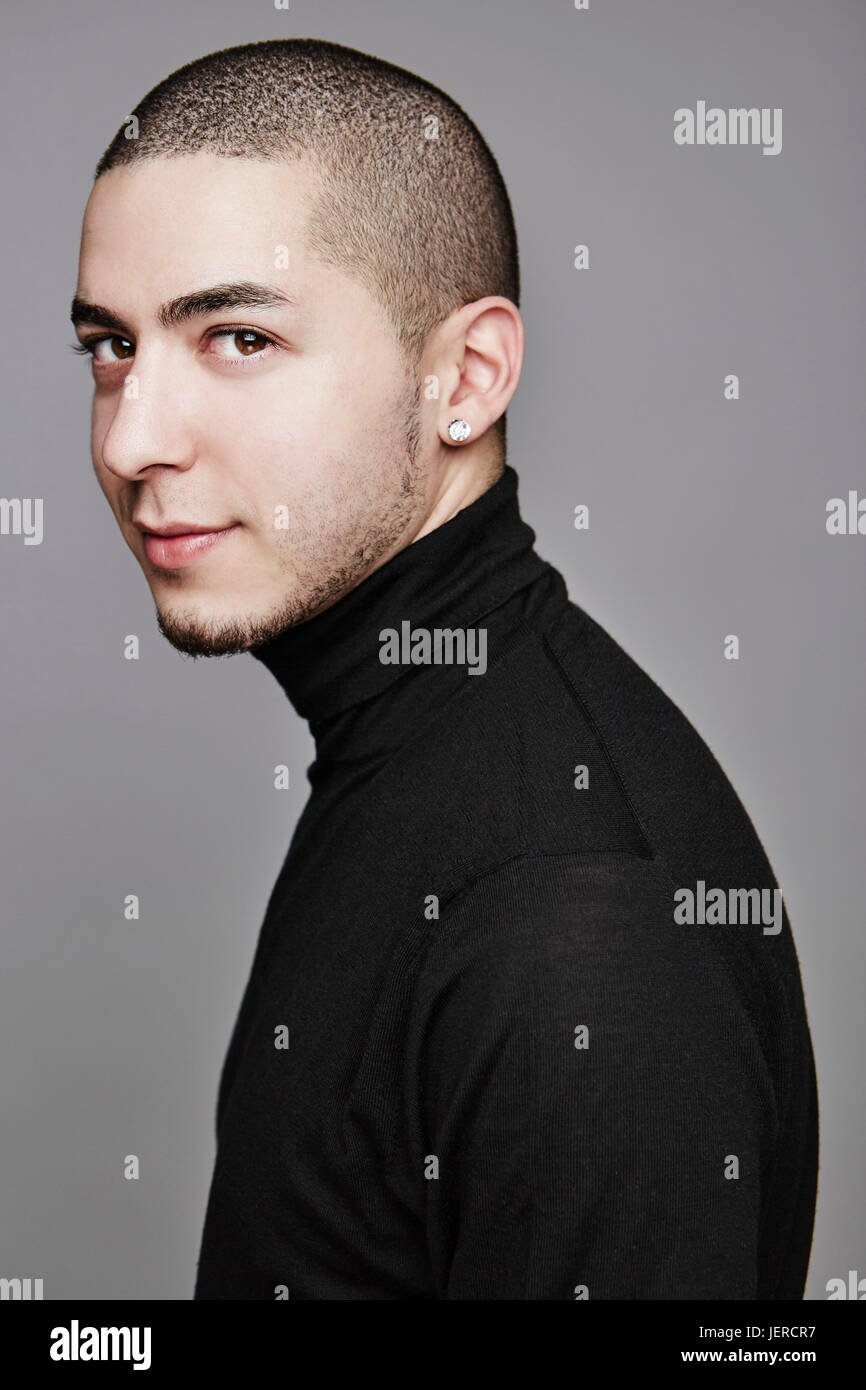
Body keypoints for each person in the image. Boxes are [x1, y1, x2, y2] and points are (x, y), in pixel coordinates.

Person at [71, 38, 818, 1299]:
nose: (133, 436)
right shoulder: (417, 740)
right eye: (109, 346)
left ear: (463, 378)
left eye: (237, 338)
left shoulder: (568, 914)